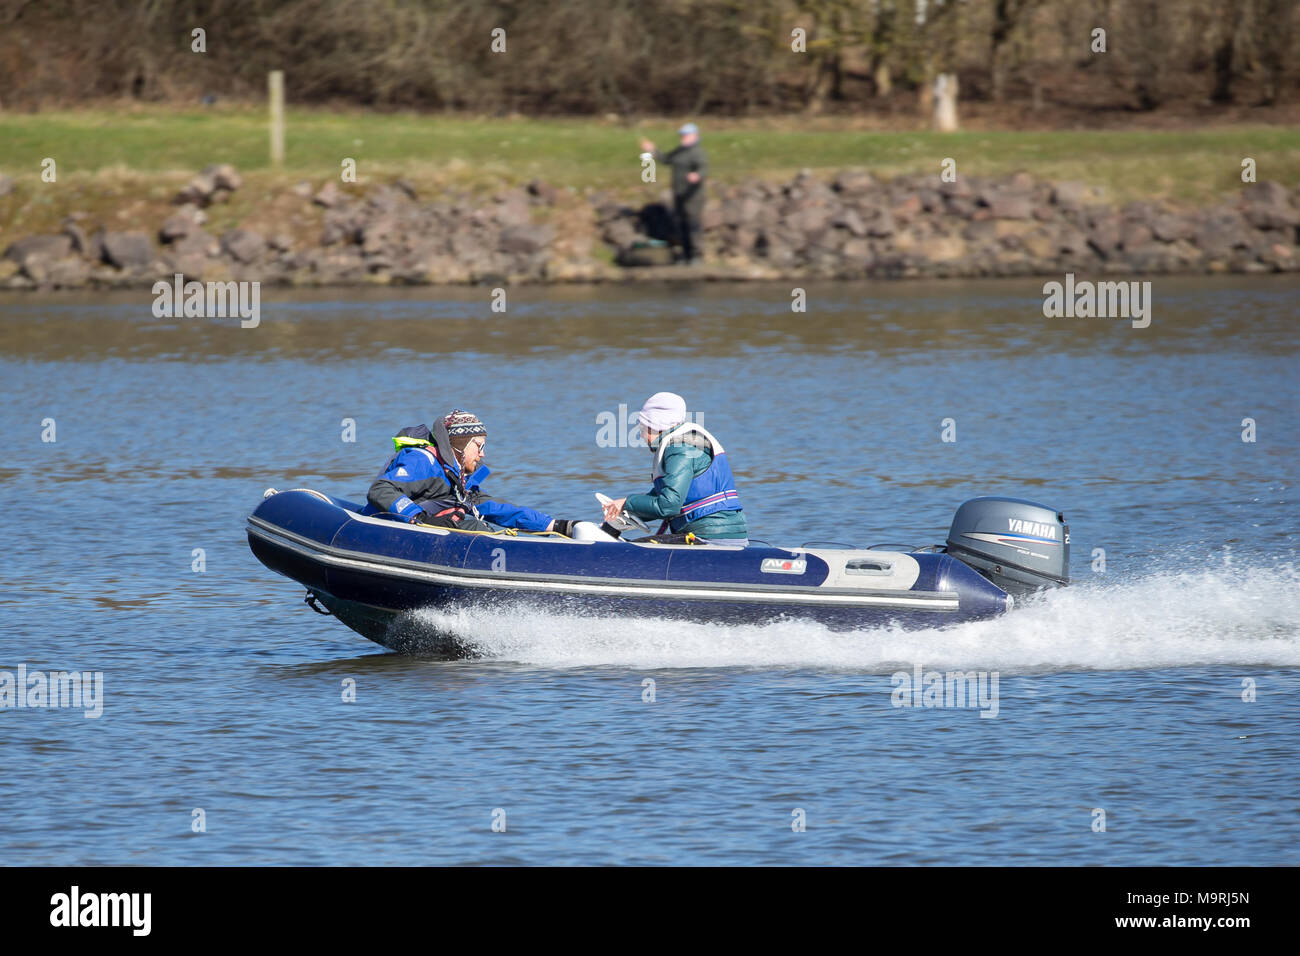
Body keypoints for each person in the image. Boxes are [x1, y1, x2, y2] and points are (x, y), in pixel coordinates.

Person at [367, 409, 578, 535]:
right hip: (385, 535)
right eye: (479, 446)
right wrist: (418, 519)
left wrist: (555, 525)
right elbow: (382, 489)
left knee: (480, 526)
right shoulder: (423, 461)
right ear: (460, 445)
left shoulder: (458, 481)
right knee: (473, 527)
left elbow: (498, 509)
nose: (482, 455)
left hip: (423, 539)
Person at [603, 392, 747, 546]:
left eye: (642, 428)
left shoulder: (680, 449)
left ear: (655, 425)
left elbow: (668, 506)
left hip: (712, 537)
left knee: (635, 548)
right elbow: (663, 498)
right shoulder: (681, 444)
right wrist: (624, 511)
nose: (641, 435)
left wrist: (626, 502)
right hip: (719, 534)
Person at [639, 122, 709, 265]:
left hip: (693, 196)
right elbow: (666, 159)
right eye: (681, 135)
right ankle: (686, 254)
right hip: (679, 194)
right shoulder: (680, 151)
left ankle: (697, 256)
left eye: (685, 135)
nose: (682, 137)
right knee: (681, 224)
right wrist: (652, 150)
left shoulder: (698, 152)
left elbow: (703, 168)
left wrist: (697, 175)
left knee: (693, 224)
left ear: (694, 136)